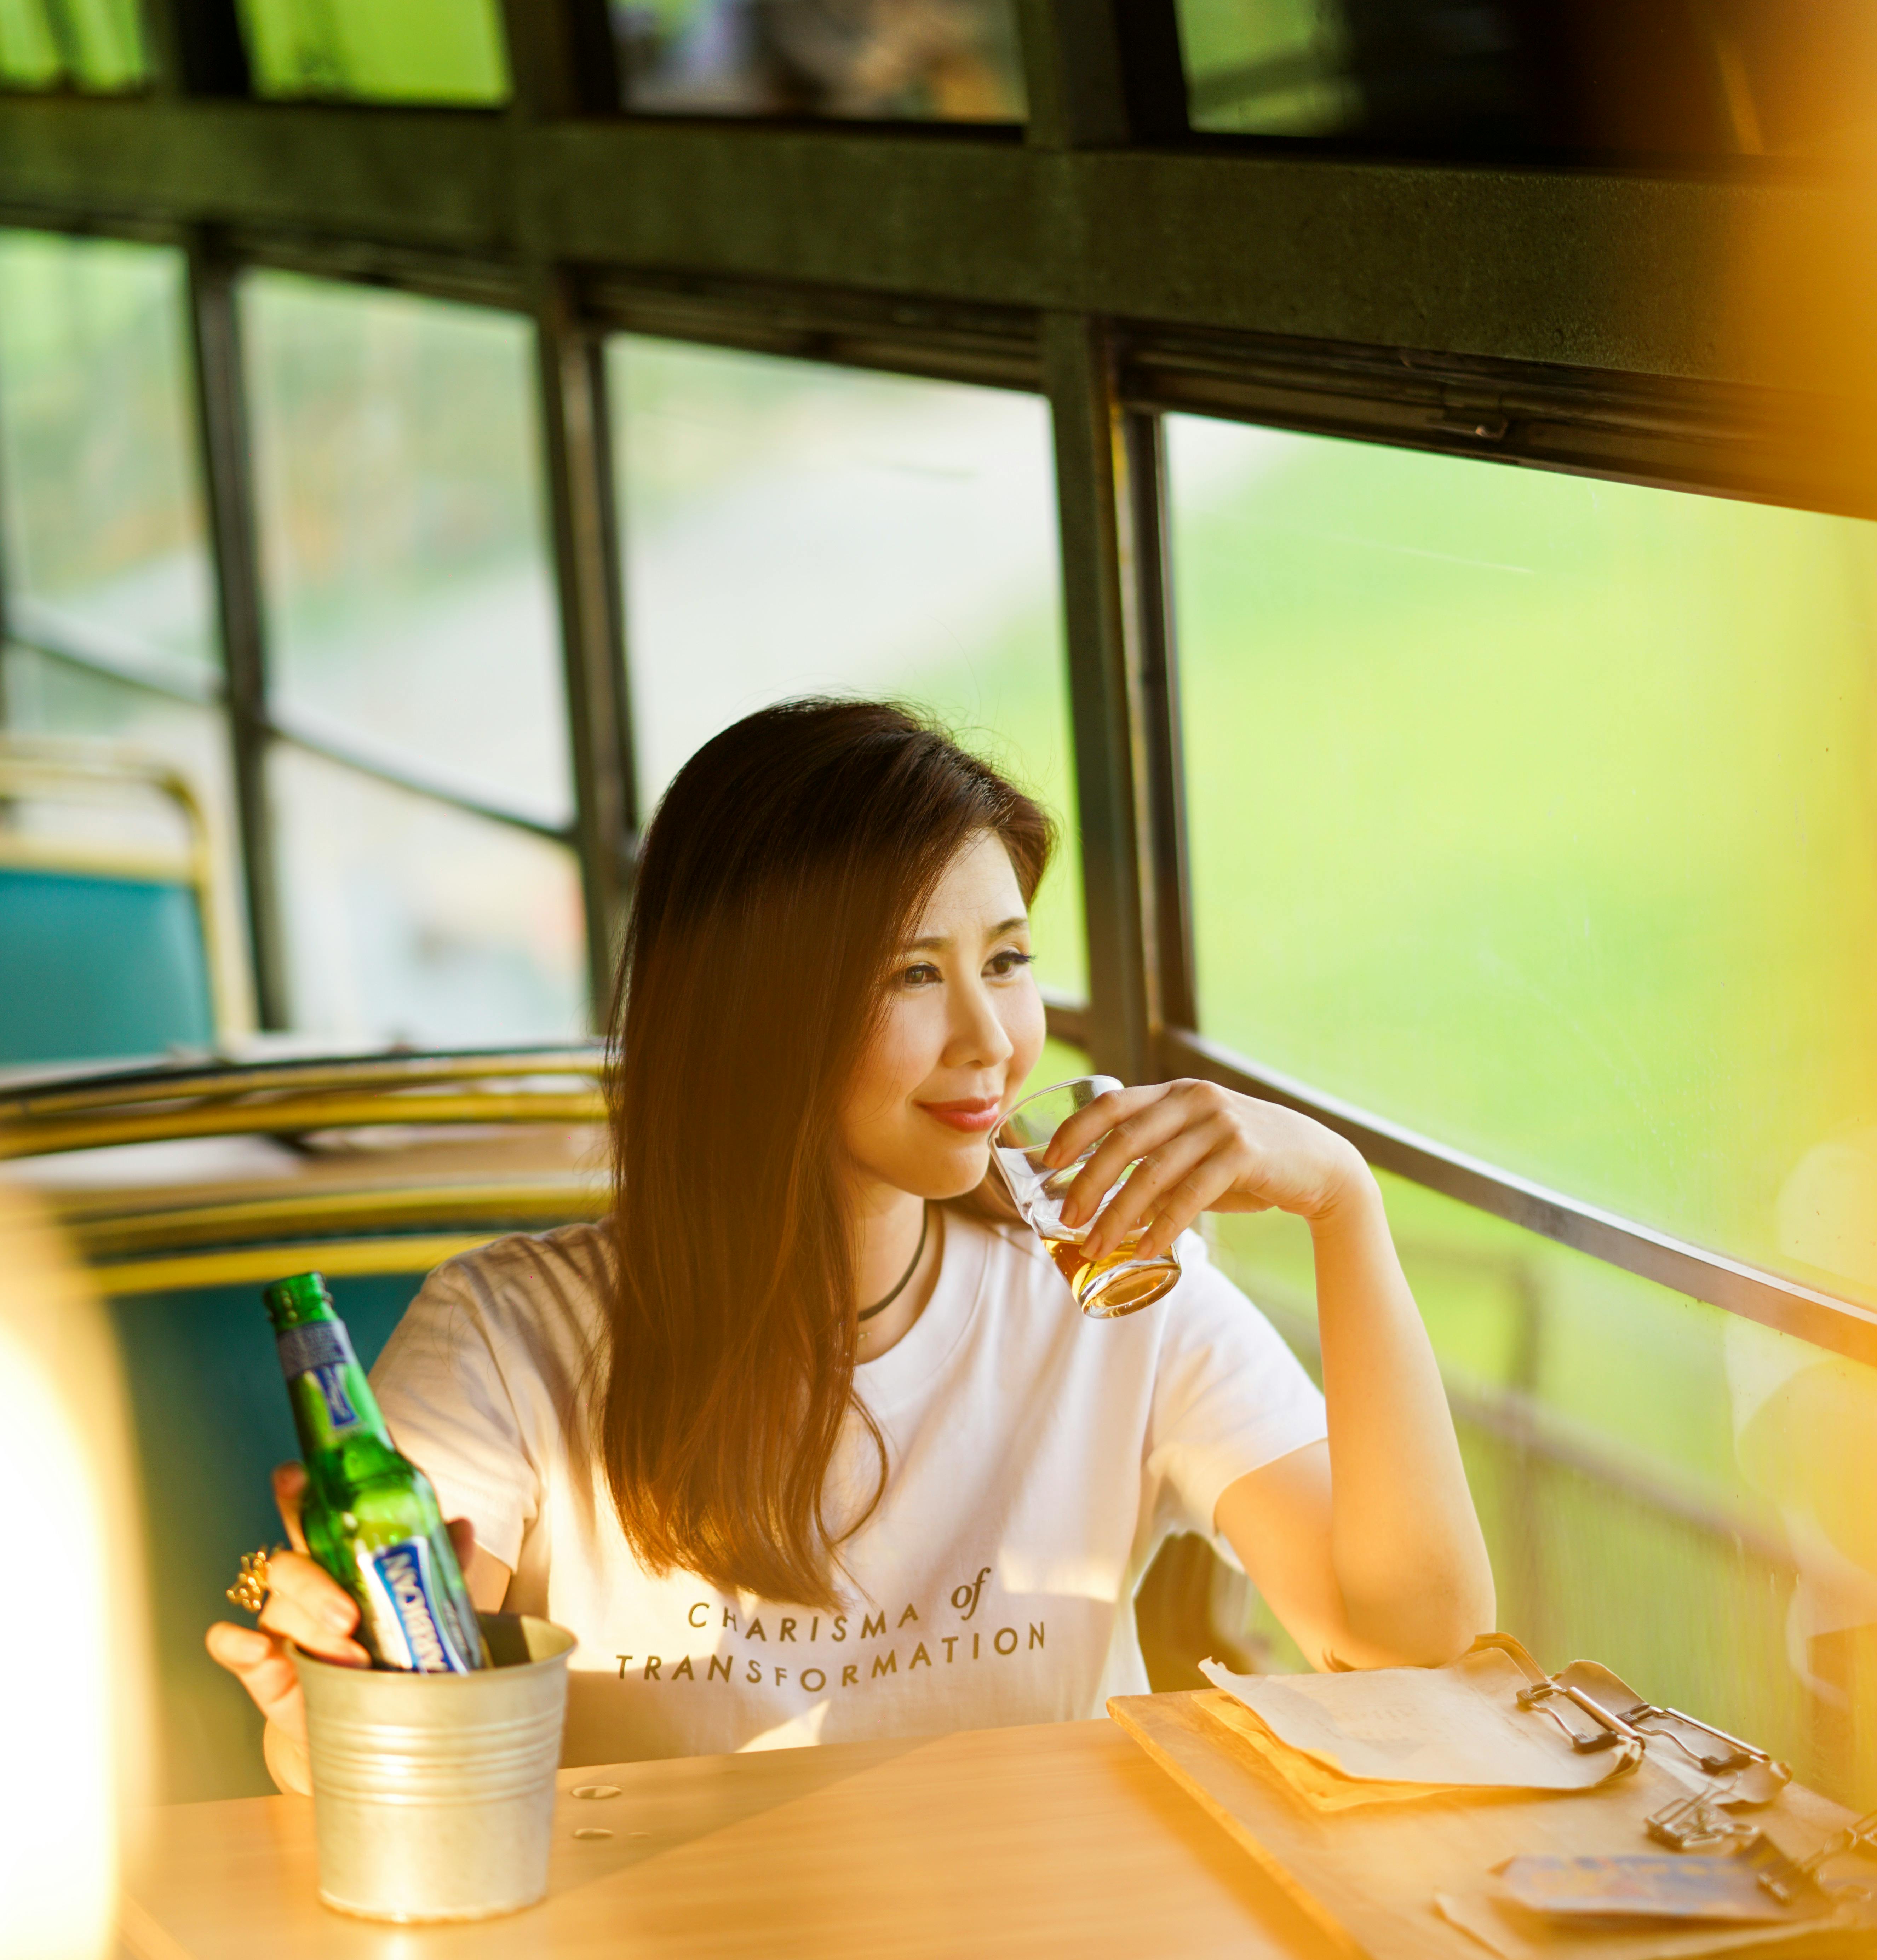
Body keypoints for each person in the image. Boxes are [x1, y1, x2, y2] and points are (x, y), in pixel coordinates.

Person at [209, 699, 1493, 1794]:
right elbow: (384, 1722)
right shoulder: (510, 1339)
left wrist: (1344, 1203)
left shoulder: (1108, 1294)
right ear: (755, 1013)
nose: (992, 1039)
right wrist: (326, 1692)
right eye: (909, 976)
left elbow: (1414, 1641)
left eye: (1006, 960)